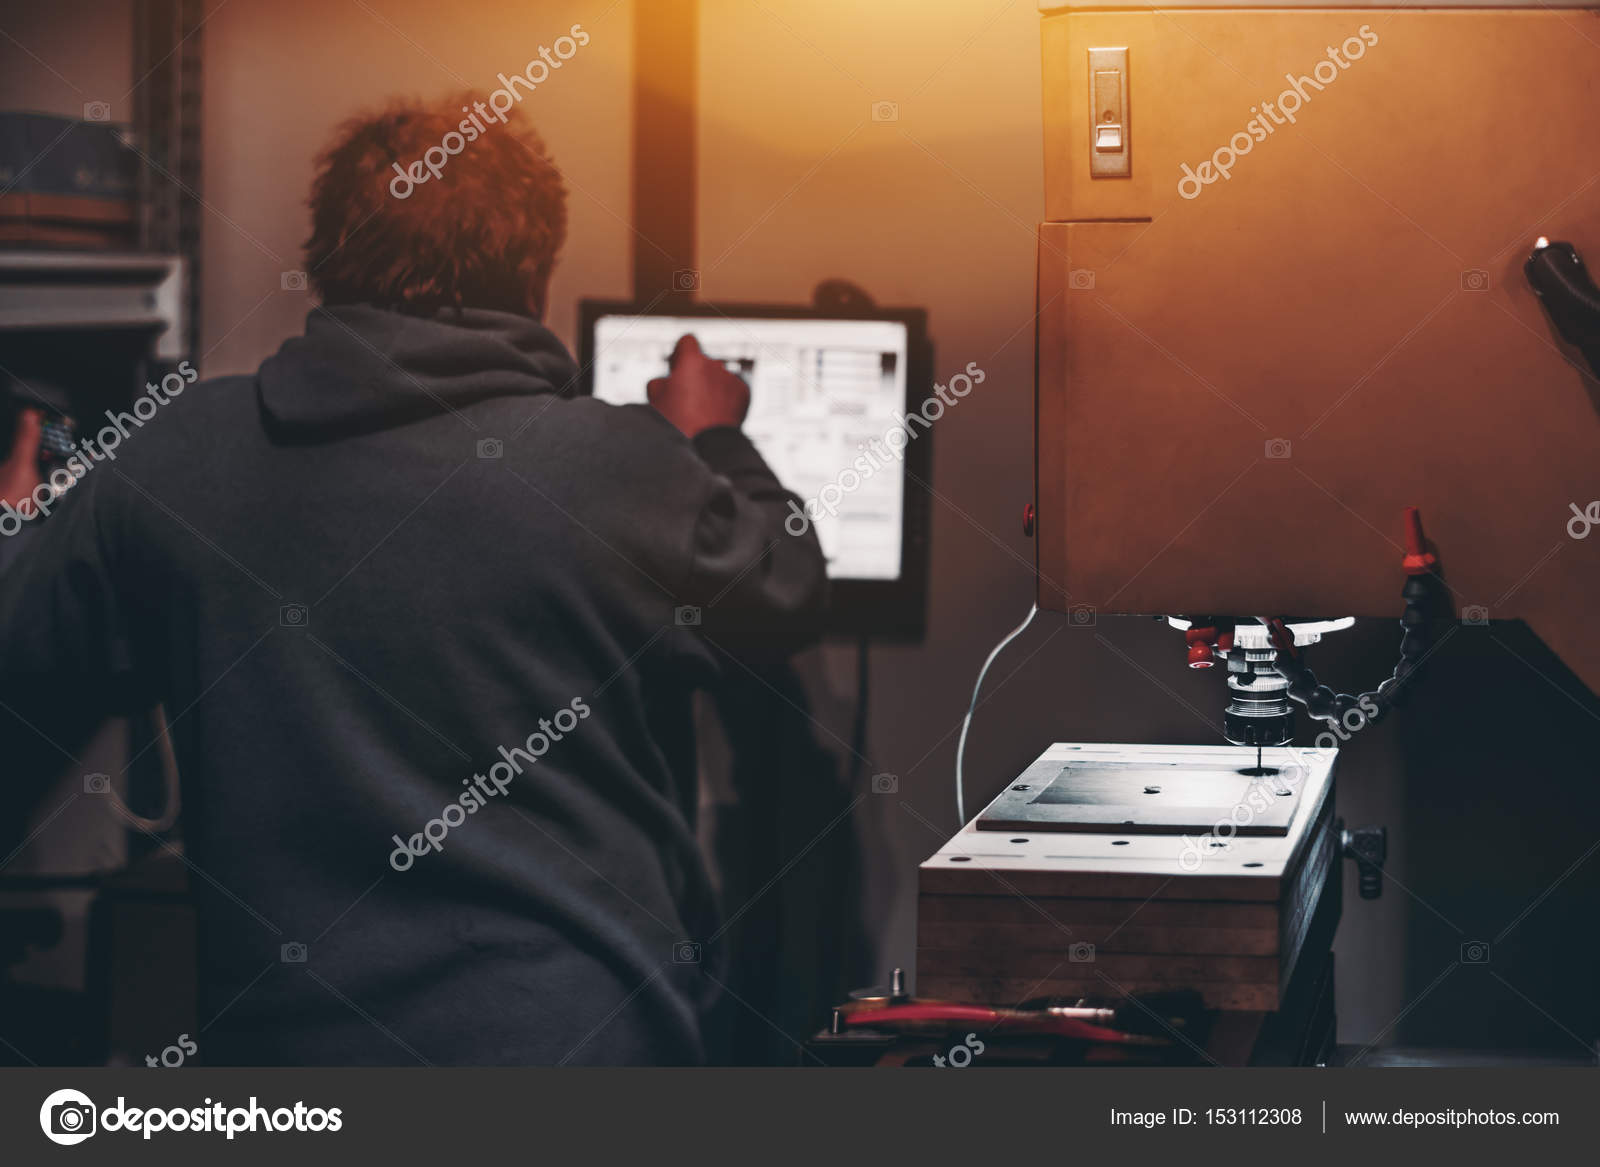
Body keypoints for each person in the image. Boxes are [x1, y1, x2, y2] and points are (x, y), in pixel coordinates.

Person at [0, 94, 827, 1065]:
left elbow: (23, 657)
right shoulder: (622, 466)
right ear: (536, 273)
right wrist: (713, 438)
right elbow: (787, 590)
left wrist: (19, 528)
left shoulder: (176, 458)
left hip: (291, 1070)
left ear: (325, 261)